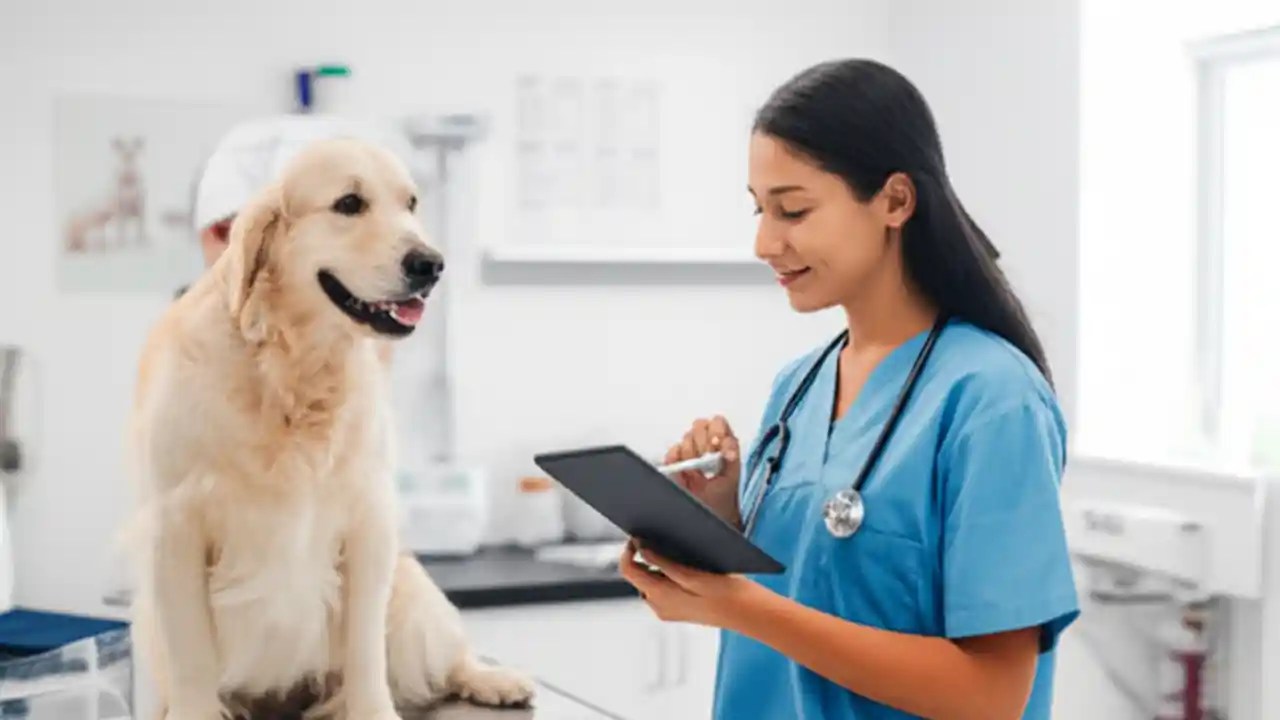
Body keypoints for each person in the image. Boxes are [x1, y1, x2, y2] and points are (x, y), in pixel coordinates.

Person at [618, 58, 1079, 719]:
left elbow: (991, 695)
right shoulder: (797, 388)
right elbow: (812, 583)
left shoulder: (992, 399)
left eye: (793, 210)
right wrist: (720, 520)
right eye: (759, 209)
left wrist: (744, 608)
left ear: (895, 201)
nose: (764, 242)